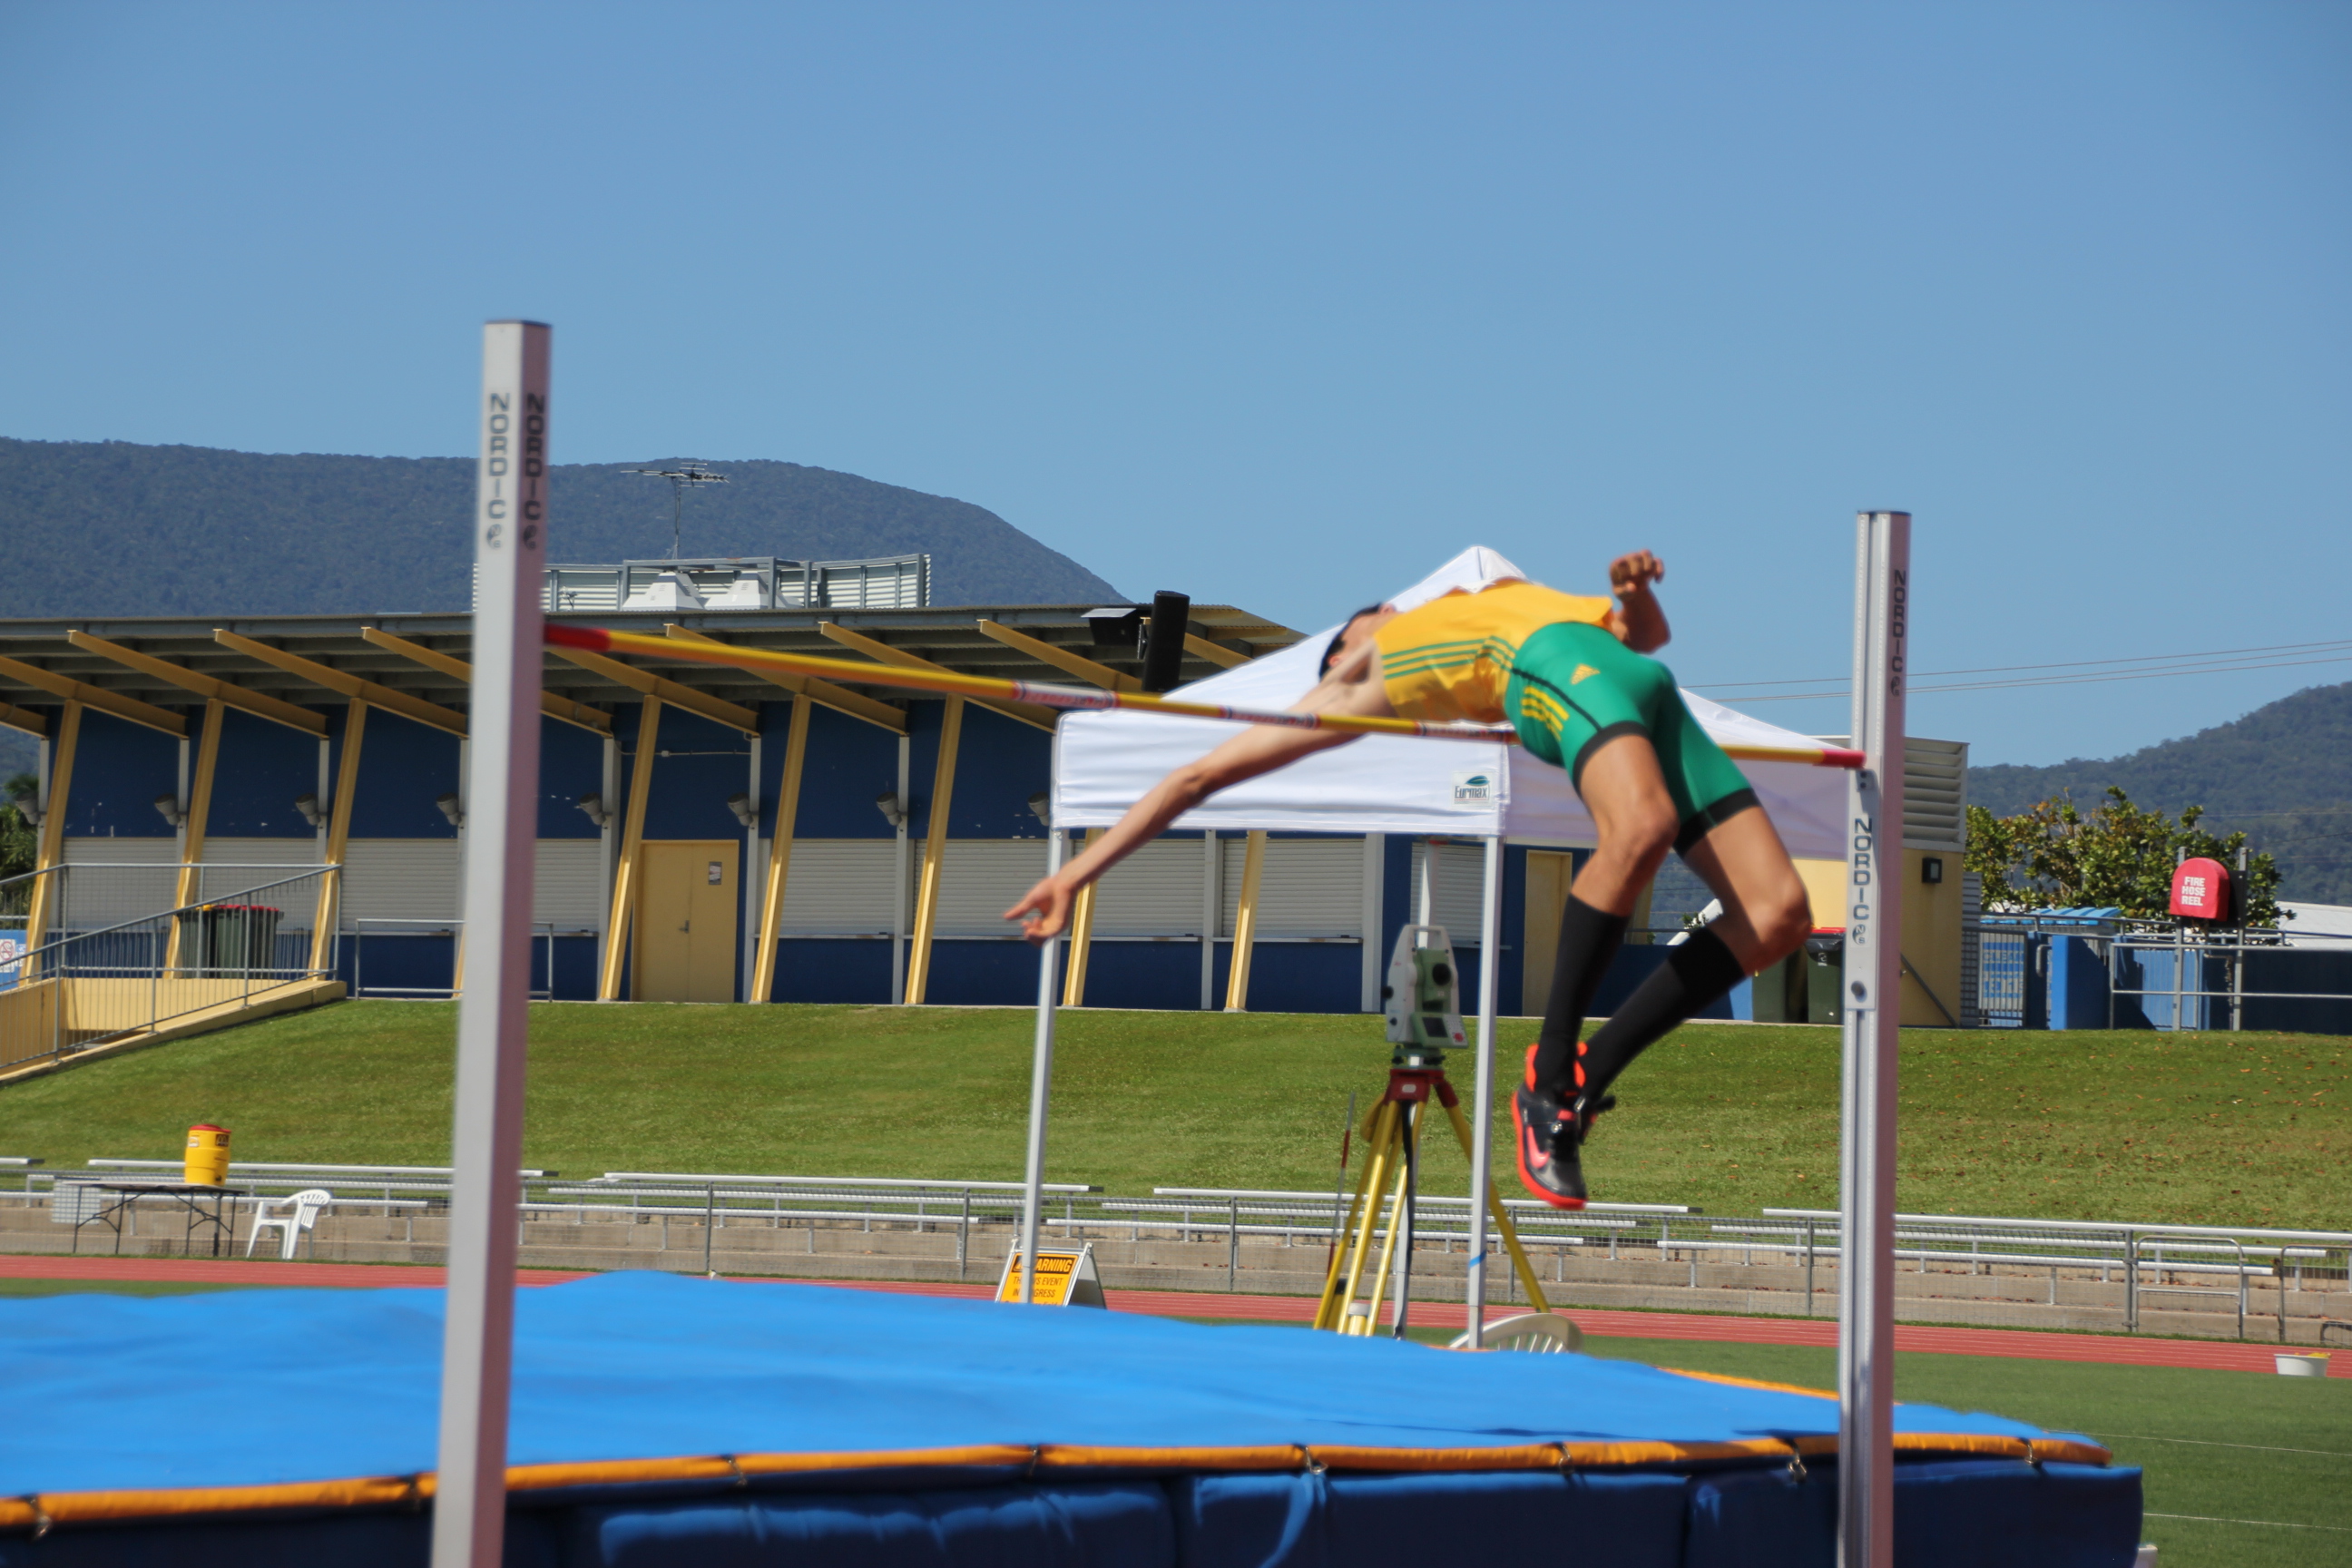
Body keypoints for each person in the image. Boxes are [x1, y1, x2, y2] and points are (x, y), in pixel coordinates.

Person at [1004, 553, 1811, 1208]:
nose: (1381, 609)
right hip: (1551, 670)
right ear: (1346, 651)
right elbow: (1194, 779)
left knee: (1779, 916)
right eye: (1361, 622)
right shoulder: (1353, 682)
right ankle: (1552, 1078)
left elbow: (1642, 638)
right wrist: (1076, 872)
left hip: (1641, 687)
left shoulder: (1493, 589)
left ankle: (1578, 1083)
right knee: (1639, 829)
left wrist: (1635, 596)